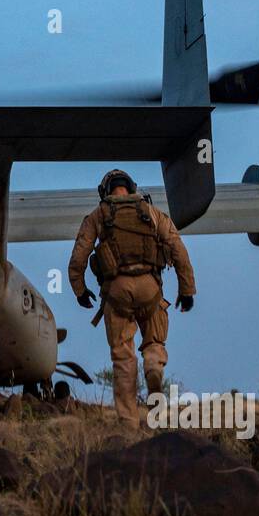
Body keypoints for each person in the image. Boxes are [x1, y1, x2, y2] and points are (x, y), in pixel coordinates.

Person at [67, 169, 195, 432]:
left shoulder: (98, 215)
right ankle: (153, 369)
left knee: (123, 358)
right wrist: (187, 290)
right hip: (150, 289)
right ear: (131, 188)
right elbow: (178, 250)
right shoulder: (150, 212)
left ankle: (127, 424)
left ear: (106, 190)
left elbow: (78, 258)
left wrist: (79, 291)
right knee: (155, 344)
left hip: (117, 292)